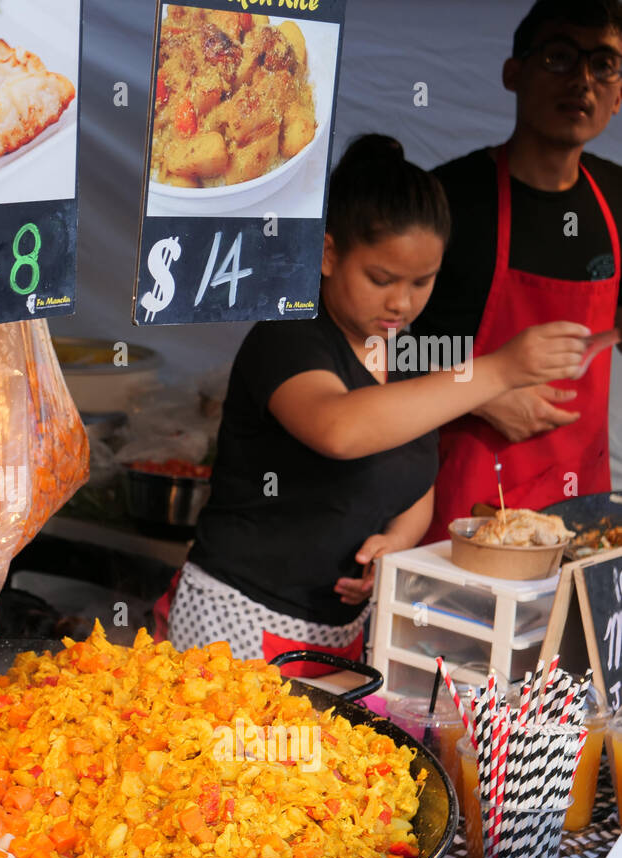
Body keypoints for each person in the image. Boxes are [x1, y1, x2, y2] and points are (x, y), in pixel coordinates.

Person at [166, 136, 587, 667]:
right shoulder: (288, 335)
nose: (402, 302)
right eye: (381, 279)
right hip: (235, 621)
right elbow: (340, 429)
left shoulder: (405, 350)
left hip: (341, 632)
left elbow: (414, 476)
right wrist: (496, 371)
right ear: (327, 254)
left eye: (422, 281)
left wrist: (396, 538)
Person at [413, 0, 622, 543]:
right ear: (514, 73)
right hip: (457, 506)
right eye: (559, 57)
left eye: (603, 64)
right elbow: (381, 348)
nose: (582, 80)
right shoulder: (448, 199)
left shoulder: (618, 198)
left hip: (582, 511)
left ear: (619, 94)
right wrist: (480, 390)